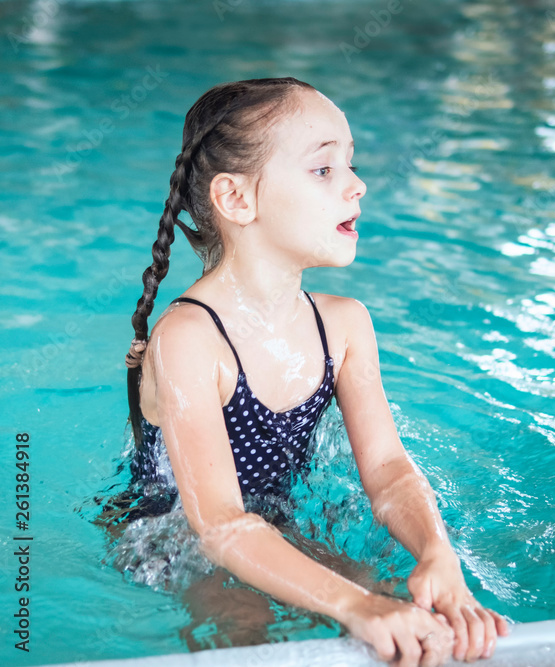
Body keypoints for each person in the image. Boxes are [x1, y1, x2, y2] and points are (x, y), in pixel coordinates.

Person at [119, 77, 509, 666]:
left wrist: (436, 552)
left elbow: (388, 470)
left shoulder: (344, 325)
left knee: (402, 614)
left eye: (351, 164)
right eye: (324, 169)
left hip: (273, 522)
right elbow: (219, 525)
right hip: (178, 539)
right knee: (243, 625)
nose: (358, 185)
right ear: (236, 199)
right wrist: (354, 606)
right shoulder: (191, 339)